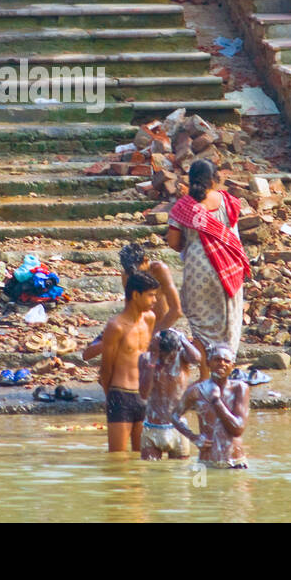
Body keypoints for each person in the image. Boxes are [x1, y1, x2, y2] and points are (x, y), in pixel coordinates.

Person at [166, 159, 251, 375]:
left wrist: (193, 241)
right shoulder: (228, 201)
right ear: (214, 180)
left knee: (202, 328)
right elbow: (233, 233)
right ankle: (222, 377)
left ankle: (205, 378)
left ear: (191, 180)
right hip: (229, 267)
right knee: (226, 321)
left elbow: (174, 243)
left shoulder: (184, 206)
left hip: (197, 269)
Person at [82, 242, 181, 363]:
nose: (136, 277)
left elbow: (176, 311)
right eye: (131, 273)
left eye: (138, 272)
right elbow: (130, 308)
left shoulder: (159, 270)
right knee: (90, 352)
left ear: (145, 261)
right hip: (139, 325)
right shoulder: (127, 275)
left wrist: (153, 334)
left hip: (161, 327)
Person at [99, 272, 160, 453]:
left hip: (145, 395)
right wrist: (110, 398)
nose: (155, 300)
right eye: (150, 295)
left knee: (142, 457)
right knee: (118, 459)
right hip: (121, 395)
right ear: (135, 295)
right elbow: (106, 368)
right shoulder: (115, 326)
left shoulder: (149, 319)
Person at [171, 343, 249, 469]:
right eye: (217, 359)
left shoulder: (240, 388)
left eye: (226, 361)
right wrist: (194, 438)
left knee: (236, 488)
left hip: (236, 462)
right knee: (200, 487)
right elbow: (175, 416)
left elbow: (238, 429)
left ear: (232, 366)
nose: (222, 363)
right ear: (208, 363)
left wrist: (216, 401)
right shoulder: (196, 391)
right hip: (207, 462)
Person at [138, 328, 201, 461]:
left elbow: (197, 359)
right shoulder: (146, 359)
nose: (166, 360)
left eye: (170, 356)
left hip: (178, 428)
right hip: (152, 428)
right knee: (151, 475)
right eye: (162, 355)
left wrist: (182, 337)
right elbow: (144, 393)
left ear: (177, 351)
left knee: (181, 476)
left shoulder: (182, 357)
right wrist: (154, 359)